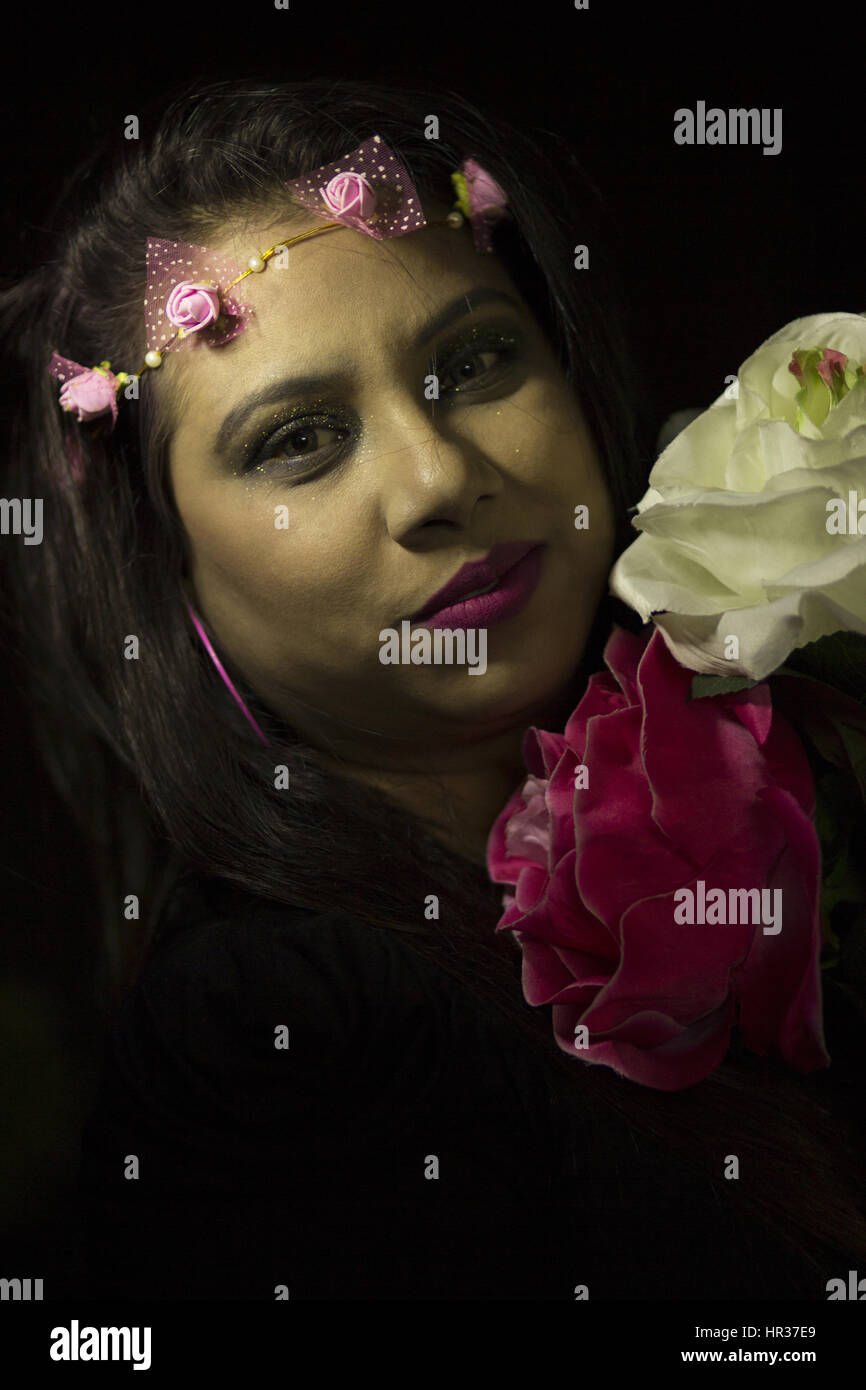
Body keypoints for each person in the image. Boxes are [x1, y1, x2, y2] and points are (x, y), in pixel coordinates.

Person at [2, 77, 863, 1301]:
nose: (437, 475)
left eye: (472, 361)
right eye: (298, 439)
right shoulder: (270, 1019)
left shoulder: (775, 781)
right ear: (171, 568)